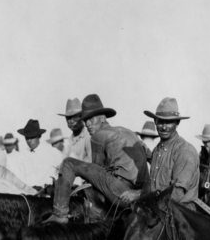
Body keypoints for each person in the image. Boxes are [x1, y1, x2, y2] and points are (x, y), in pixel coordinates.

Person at [48, 94, 148, 223]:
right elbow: (150, 156)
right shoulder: (128, 132)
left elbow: (97, 172)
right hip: (141, 194)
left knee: (68, 163)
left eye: (91, 119)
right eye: (85, 121)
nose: (88, 124)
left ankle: (59, 214)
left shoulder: (98, 136)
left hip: (122, 195)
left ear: (102, 117)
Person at [120, 97, 199, 208]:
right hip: (158, 208)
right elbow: (152, 187)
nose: (164, 127)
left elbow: (176, 194)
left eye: (169, 122)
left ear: (177, 122)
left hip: (179, 214)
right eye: (160, 122)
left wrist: (139, 195)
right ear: (155, 122)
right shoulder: (157, 150)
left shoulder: (185, 151)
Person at [6, 119, 62, 189]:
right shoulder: (22, 155)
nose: (29, 141)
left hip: (47, 195)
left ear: (39, 136)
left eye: (32, 137)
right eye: (27, 138)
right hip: (28, 194)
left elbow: (66, 171)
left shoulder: (52, 153)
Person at [59, 98, 92, 163]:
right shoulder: (69, 141)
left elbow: (92, 162)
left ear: (82, 117)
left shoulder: (88, 136)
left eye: (75, 117)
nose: (71, 121)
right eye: (68, 118)